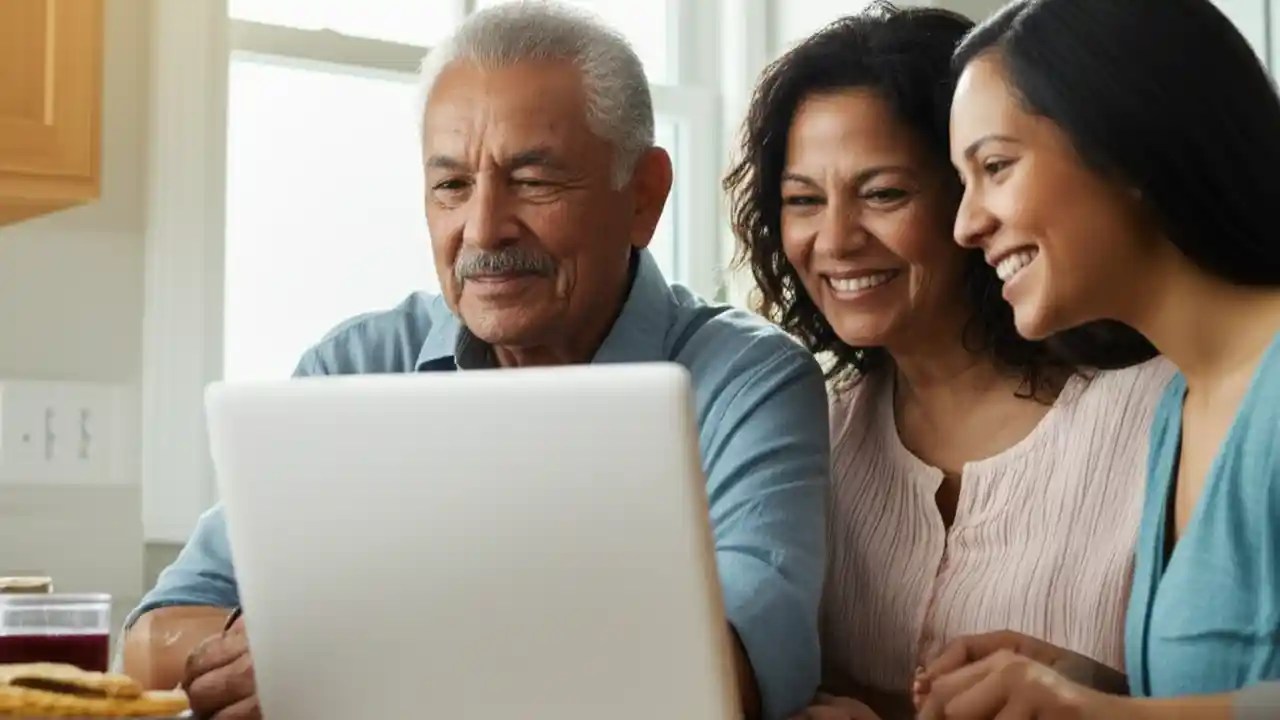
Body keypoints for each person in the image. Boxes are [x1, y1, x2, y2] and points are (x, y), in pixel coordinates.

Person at [122, 5, 831, 719]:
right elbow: (155, 639)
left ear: (643, 197)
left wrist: (361, 651)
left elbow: (729, 671)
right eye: (452, 187)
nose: (484, 230)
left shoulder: (748, 381)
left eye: (533, 180)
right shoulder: (355, 366)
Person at [723, 4, 1172, 720]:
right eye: (803, 200)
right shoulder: (808, 438)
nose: (834, 240)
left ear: (975, 196)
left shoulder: (1161, 413)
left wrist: (1098, 699)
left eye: (883, 193)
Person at [916, 0, 1280, 718]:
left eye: (996, 166)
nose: (965, 224)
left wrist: (1108, 716)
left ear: (1131, 145)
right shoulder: (1180, 408)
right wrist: (1088, 687)